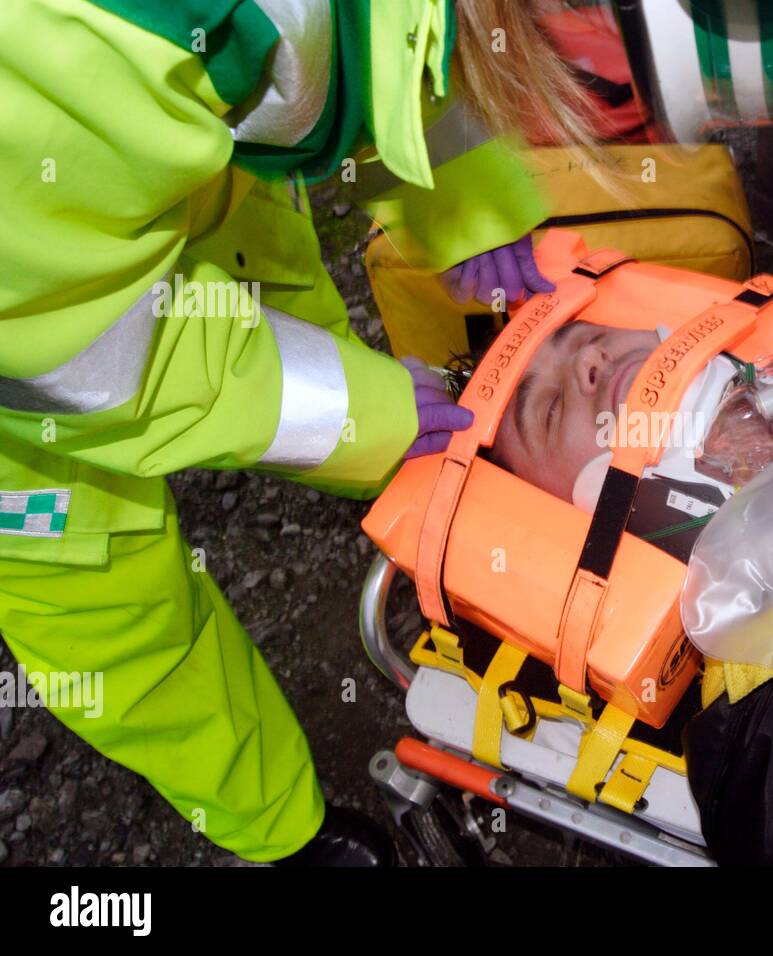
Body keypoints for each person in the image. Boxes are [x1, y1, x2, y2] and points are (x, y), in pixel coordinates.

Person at [0, 0, 601, 865]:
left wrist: (468, 203)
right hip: (34, 355)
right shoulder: (80, 59)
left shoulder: (194, 51)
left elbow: (410, 37)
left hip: (122, 173)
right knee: (95, 594)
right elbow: (89, 360)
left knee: (248, 260)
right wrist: (357, 412)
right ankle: (283, 833)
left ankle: (399, 478)